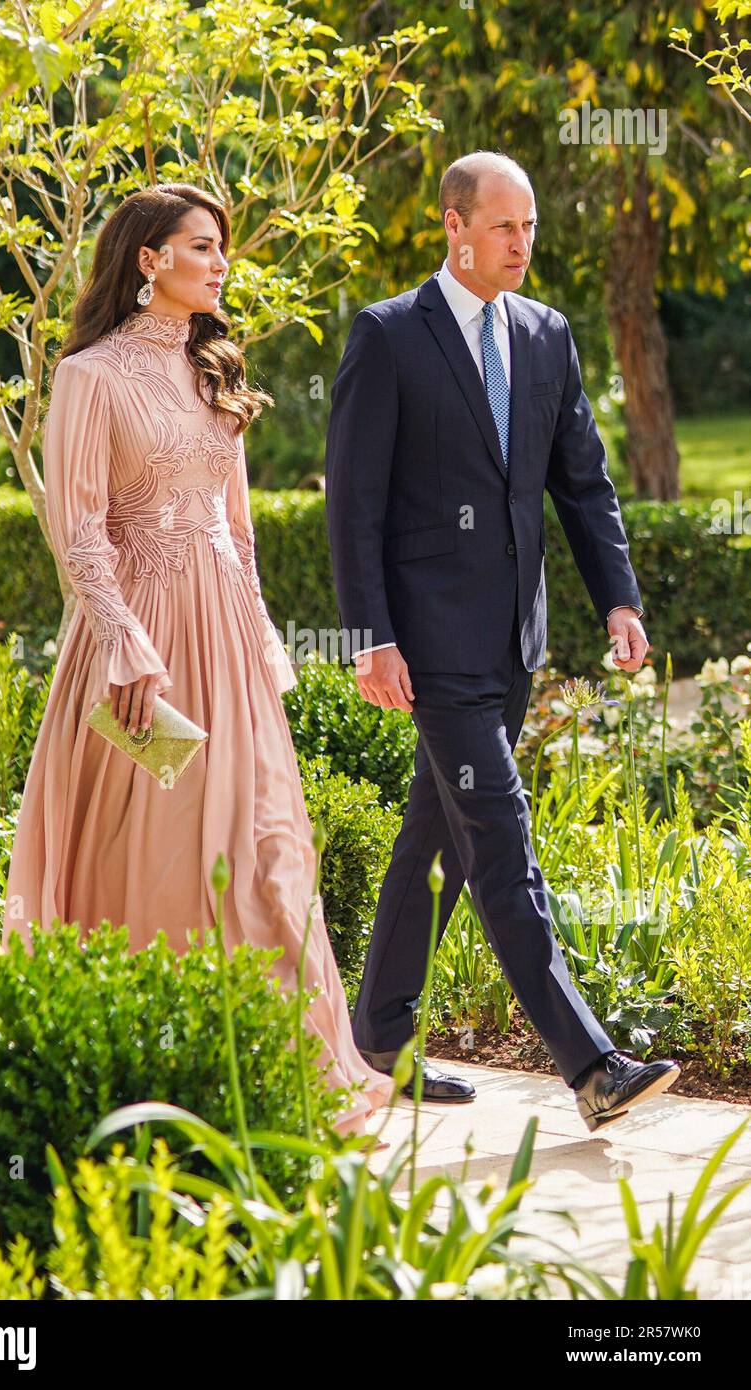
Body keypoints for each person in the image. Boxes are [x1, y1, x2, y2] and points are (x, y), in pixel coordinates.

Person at [0, 182, 394, 1138]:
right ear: (148, 262)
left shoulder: (217, 365)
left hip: (226, 643)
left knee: (266, 850)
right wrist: (123, 643)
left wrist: (260, 635)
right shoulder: (89, 378)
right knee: (163, 852)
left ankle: (279, 1066)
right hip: (143, 650)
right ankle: (154, 1068)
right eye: (203, 247)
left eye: (222, 248)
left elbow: (240, 528)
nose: (222, 263)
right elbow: (78, 528)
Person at [324, 151, 680, 1133]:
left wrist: (617, 599)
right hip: (427, 647)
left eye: (528, 226)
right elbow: (351, 504)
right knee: (497, 838)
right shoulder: (388, 336)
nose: (521, 243)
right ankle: (590, 1062)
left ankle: (378, 1037)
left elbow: (581, 481)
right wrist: (370, 636)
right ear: (453, 225)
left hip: (511, 639)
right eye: (503, 226)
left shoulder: (547, 334)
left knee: (433, 833)